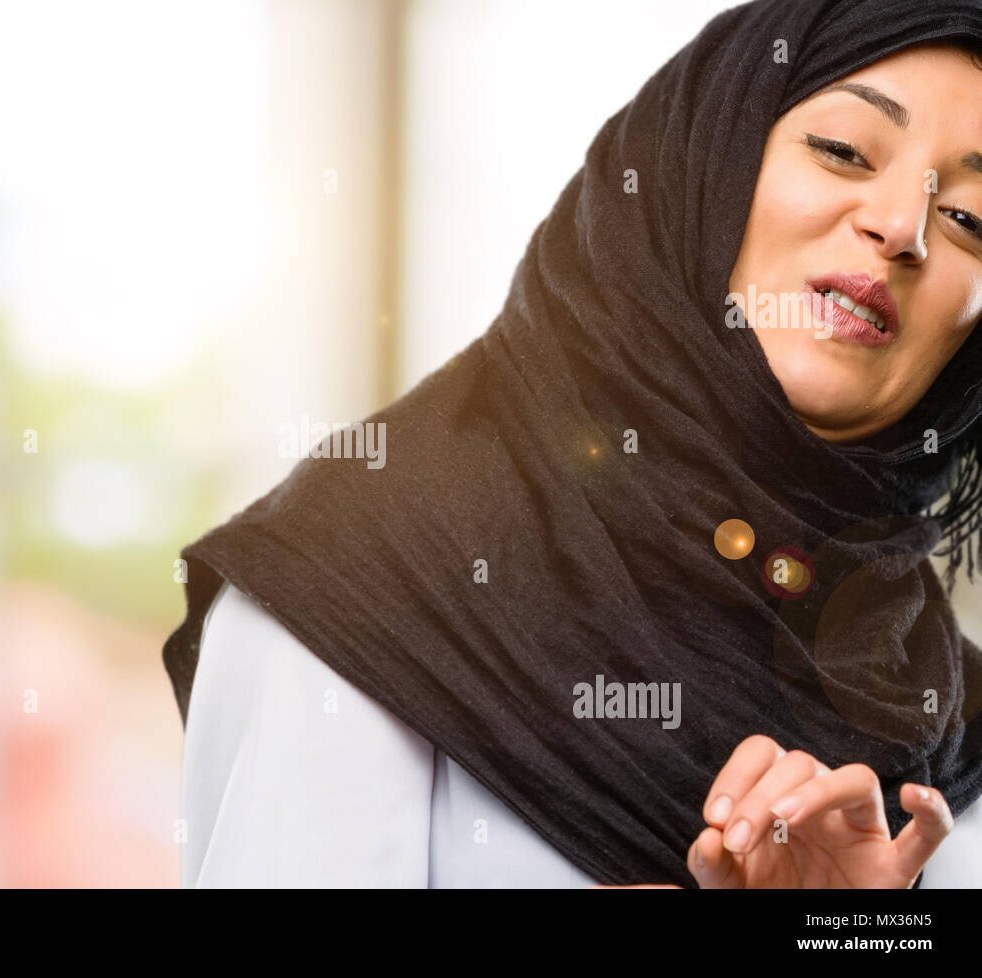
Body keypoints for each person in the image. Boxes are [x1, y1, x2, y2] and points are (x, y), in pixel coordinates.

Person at [164, 0, 982, 887]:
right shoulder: (360, 583)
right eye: (843, 152)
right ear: (699, 159)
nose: (903, 228)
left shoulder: (950, 724)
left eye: (972, 221)